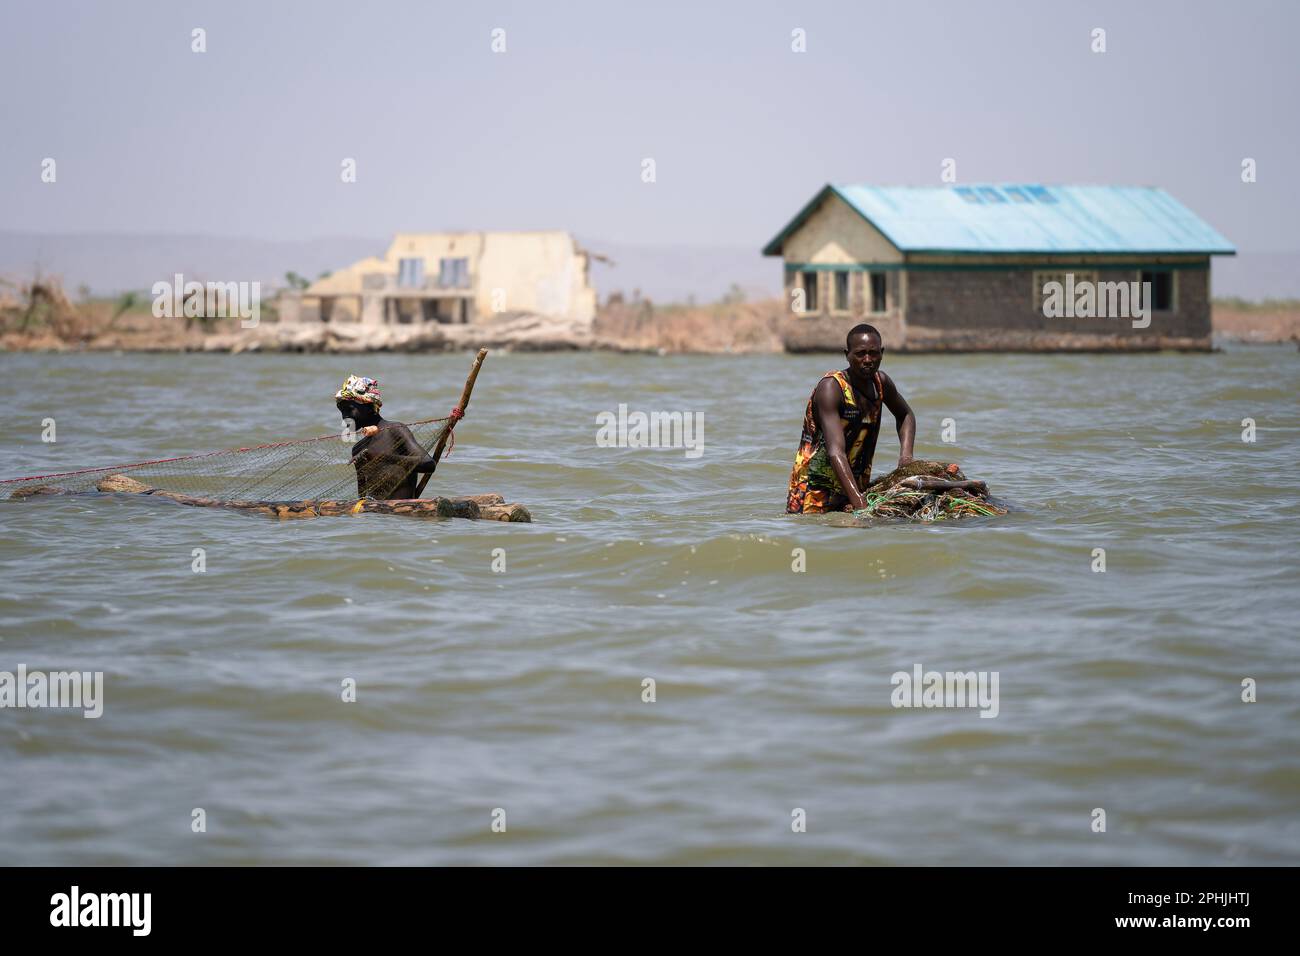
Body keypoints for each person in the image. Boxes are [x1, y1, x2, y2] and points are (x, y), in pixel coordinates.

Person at [786, 324, 916, 514]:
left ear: (882, 353)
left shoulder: (881, 384)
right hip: (814, 491)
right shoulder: (831, 388)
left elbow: (905, 415)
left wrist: (906, 459)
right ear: (847, 354)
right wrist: (861, 505)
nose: (868, 360)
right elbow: (835, 452)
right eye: (860, 354)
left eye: (873, 353)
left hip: (854, 487)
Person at [334, 375, 443, 500]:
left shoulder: (395, 430)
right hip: (376, 518)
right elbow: (362, 497)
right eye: (342, 411)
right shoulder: (358, 449)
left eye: (349, 409)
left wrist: (384, 458)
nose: (344, 416)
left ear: (369, 406)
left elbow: (429, 464)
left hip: (402, 515)